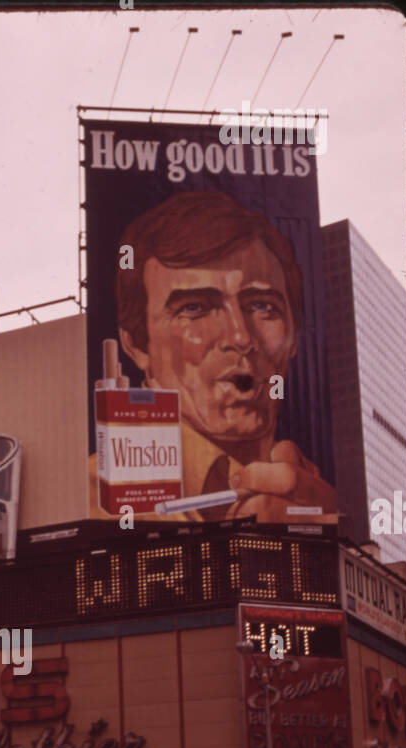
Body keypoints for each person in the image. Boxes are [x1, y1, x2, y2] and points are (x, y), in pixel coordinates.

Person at [91, 190, 338, 524]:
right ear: (137, 344)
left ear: (294, 333)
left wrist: (329, 547)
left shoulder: (321, 499)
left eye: (262, 306)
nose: (240, 337)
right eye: (194, 308)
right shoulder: (94, 498)